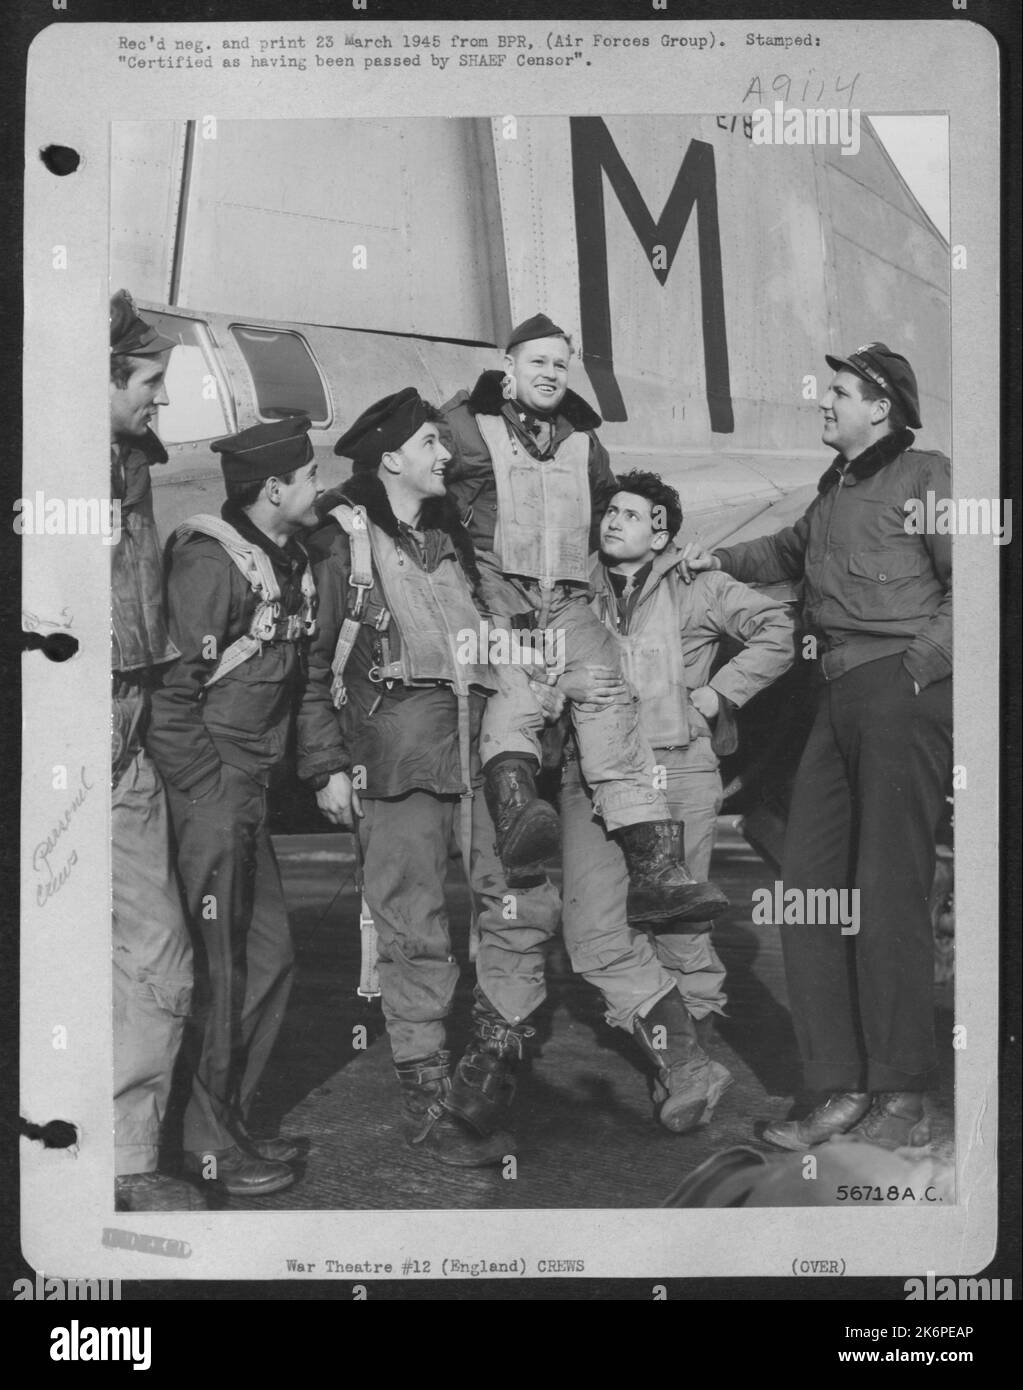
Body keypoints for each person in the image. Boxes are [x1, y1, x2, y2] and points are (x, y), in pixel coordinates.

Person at [681, 343, 952, 1150]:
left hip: (896, 690)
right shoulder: (834, 489)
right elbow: (784, 556)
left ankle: (898, 1092)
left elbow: (979, 584)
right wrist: (713, 557)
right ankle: (834, 1085)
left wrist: (915, 672)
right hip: (834, 695)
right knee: (808, 885)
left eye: (837, 392)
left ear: (881, 407)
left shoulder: (925, 475)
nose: (821, 403)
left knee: (887, 890)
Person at [297, 389, 561, 1166]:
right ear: (390, 460)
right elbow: (315, 668)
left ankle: (489, 1060)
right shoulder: (342, 545)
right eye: (429, 444)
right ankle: (425, 1089)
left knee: (519, 902)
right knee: (412, 925)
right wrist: (321, 765)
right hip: (395, 760)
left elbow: (489, 643)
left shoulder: (453, 544)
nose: (444, 455)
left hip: (483, 758)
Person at [441, 314, 726, 925]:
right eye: (537, 362)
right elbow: (429, 500)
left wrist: (673, 554)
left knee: (608, 690)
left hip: (566, 597)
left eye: (559, 365)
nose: (550, 374)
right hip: (497, 592)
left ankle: (653, 866)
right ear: (509, 364)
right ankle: (518, 814)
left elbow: (608, 517)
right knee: (516, 686)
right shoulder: (465, 425)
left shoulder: (582, 440)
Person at [560, 470, 796, 1131]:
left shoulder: (698, 584)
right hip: (593, 777)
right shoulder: (578, 589)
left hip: (676, 772)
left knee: (678, 928)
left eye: (629, 515)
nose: (612, 522)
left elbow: (777, 626)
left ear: (660, 529)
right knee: (592, 933)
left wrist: (720, 693)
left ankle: (683, 1067)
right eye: (608, 512)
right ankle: (686, 1062)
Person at [147, 414, 322, 1197]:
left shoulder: (285, 558)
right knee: (217, 973)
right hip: (214, 793)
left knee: (268, 960)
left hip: (246, 795)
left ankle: (229, 1124)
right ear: (275, 489)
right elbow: (169, 698)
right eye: (309, 477)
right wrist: (208, 791)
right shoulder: (210, 563)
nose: (318, 488)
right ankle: (205, 1147)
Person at [109, 289, 202, 1212]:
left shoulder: (131, 465)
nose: (159, 399)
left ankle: (128, 1156)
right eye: (145, 381)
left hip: (120, 750)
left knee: (158, 951)